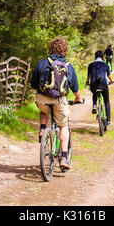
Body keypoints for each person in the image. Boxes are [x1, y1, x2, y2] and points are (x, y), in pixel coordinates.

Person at [30, 36, 83, 170]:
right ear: (65, 50)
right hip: (59, 100)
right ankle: (64, 157)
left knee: (43, 111)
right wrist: (78, 98)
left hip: (42, 98)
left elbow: (33, 83)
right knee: (63, 125)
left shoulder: (42, 62)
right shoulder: (68, 65)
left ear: (51, 48)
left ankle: (42, 129)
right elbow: (75, 87)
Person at [86, 50, 114, 126]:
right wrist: (111, 81)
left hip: (93, 85)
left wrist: (87, 82)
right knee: (106, 101)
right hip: (104, 85)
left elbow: (88, 77)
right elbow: (108, 76)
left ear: (95, 56)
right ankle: (108, 121)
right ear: (102, 57)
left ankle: (94, 104)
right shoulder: (105, 65)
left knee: (95, 91)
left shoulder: (91, 65)